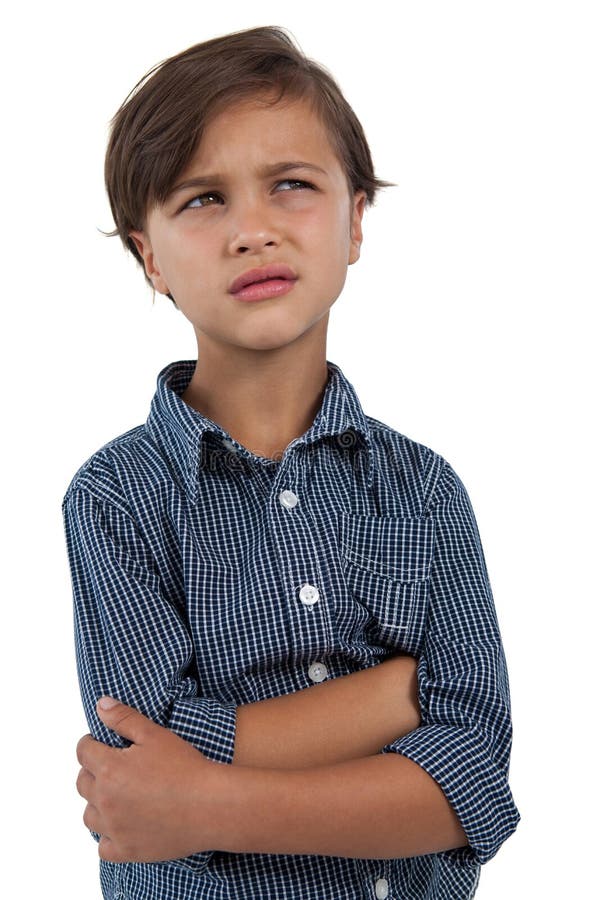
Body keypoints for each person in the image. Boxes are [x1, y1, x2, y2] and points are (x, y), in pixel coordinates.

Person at [63, 25, 520, 900]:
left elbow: (470, 786)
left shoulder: (424, 490)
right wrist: (390, 702)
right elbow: (142, 781)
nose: (254, 230)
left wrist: (213, 799)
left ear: (354, 220)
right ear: (148, 255)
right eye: (204, 199)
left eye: (291, 187)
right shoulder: (115, 497)